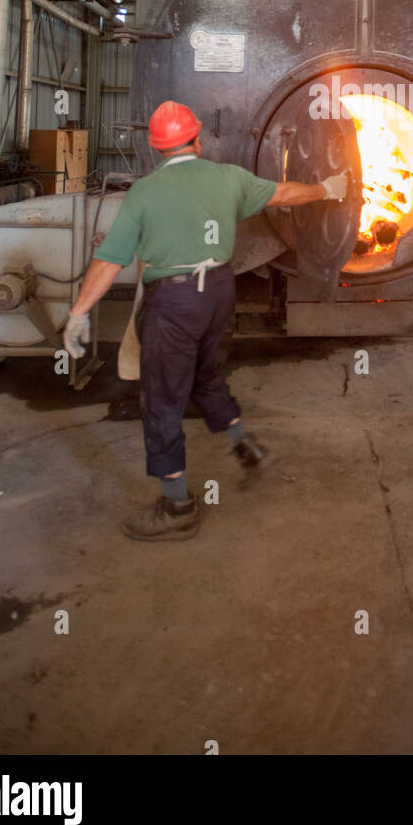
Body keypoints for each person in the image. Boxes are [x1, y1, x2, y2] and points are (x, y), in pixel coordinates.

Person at [63, 100, 349, 542]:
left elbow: (107, 262)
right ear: (197, 140)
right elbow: (285, 194)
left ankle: (176, 506)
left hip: (173, 302)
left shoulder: (144, 192)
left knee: (161, 398)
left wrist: (79, 313)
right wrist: (330, 189)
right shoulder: (228, 178)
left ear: (154, 147)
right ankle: (245, 444)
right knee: (206, 376)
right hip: (218, 290)